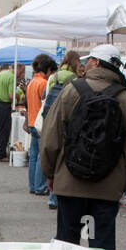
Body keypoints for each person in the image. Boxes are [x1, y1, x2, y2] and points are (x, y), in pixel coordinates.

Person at [40, 44, 126, 250]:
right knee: (102, 249)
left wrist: (50, 173)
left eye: (88, 61)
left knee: (67, 246)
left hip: (69, 180)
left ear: (95, 63)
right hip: (109, 184)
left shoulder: (71, 91)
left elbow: (51, 137)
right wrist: (125, 183)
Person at [42, 51, 82, 210]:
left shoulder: (54, 76)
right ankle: (57, 196)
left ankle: (52, 195)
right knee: (64, 158)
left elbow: (45, 97)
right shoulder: (76, 80)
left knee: (52, 152)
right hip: (68, 120)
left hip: (51, 116)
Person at [25, 54, 51, 197]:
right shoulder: (43, 83)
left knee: (34, 156)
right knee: (40, 156)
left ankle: (33, 185)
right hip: (40, 123)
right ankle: (40, 186)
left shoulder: (32, 82)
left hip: (31, 121)